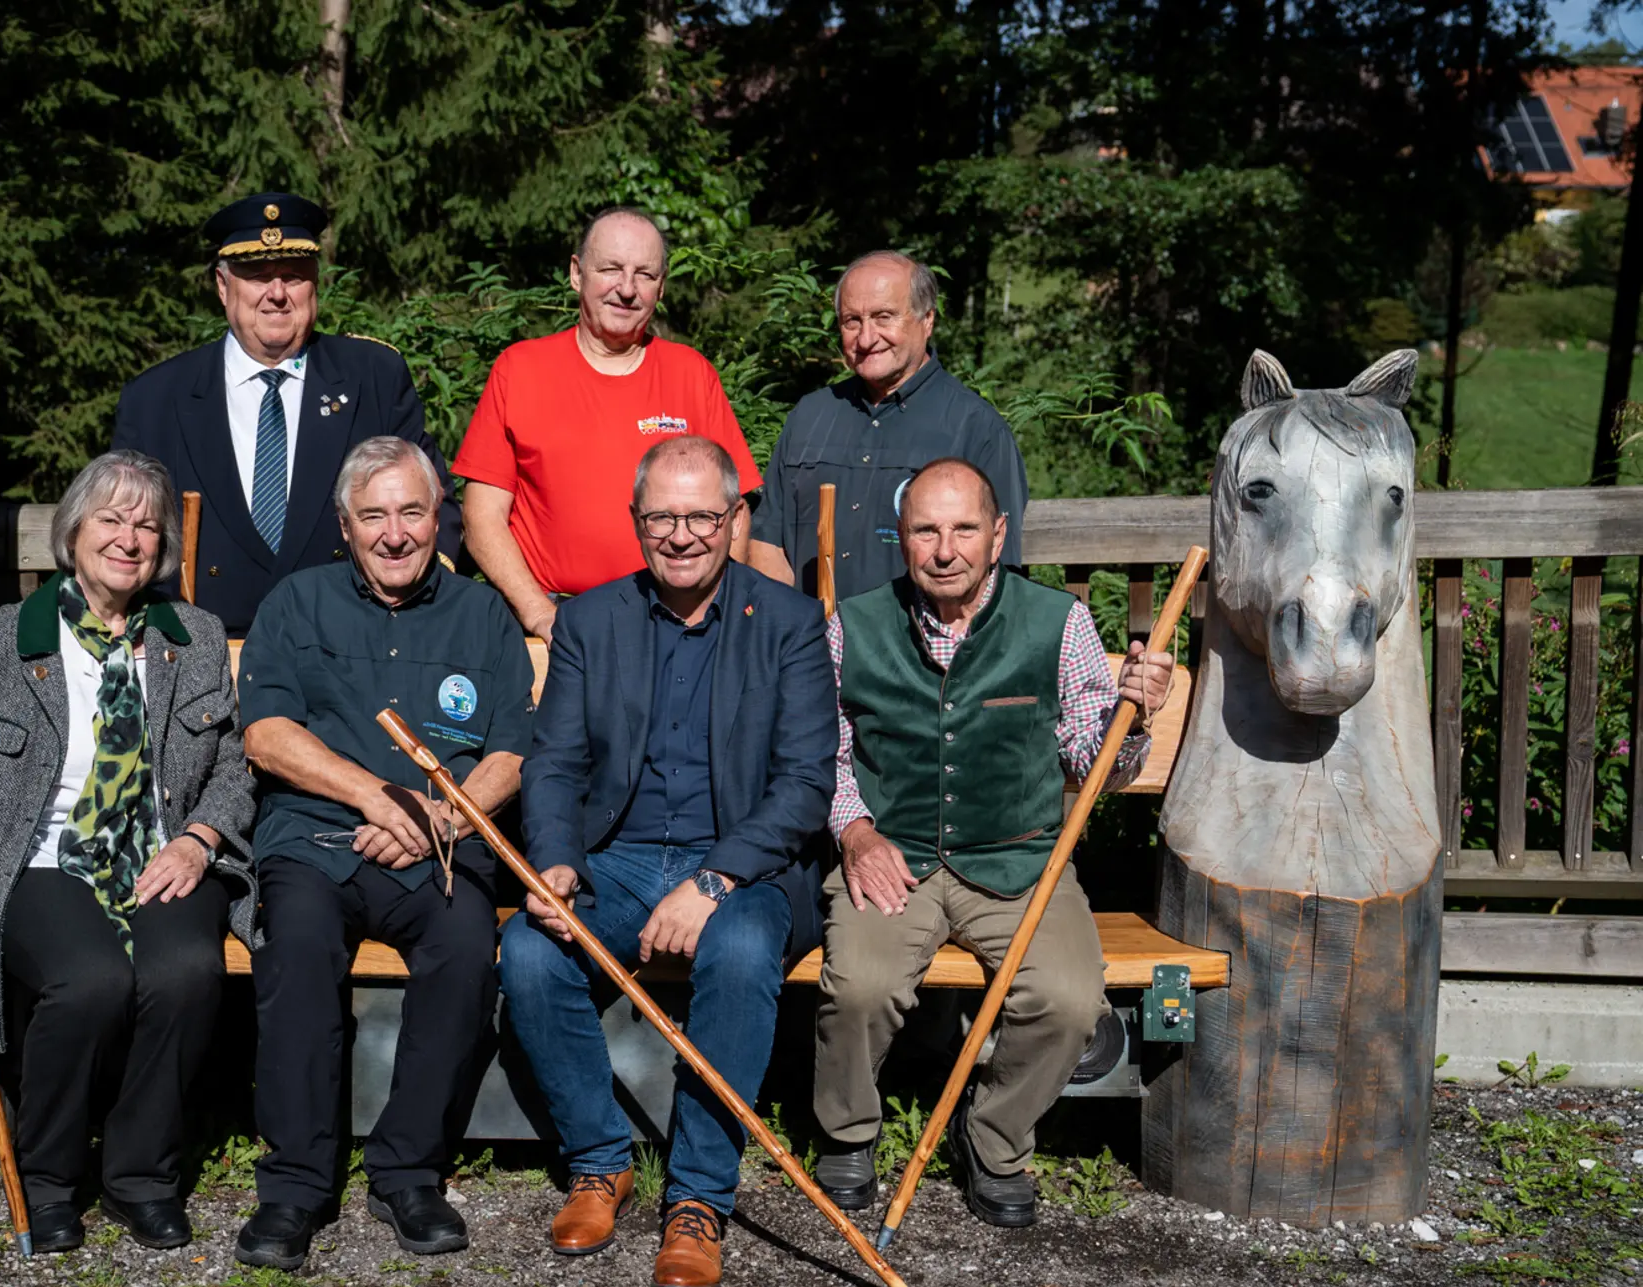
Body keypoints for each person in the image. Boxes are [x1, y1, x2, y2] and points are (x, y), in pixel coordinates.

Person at [498, 436, 834, 1287]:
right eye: (662, 517)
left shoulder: (791, 621)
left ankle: (695, 1199)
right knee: (532, 952)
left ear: (732, 519)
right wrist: (559, 862)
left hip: (746, 864)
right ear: (636, 522)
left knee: (744, 952)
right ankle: (599, 1160)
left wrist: (715, 881)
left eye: (700, 516)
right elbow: (557, 763)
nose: (681, 534)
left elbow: (803, 785)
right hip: (619, 857)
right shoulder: (590, 619)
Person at [0, 451, 256, 1253]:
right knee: (89, 979)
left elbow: (233, 769)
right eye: (112, 518)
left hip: (166, 849)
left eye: (146, 524)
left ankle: (142, 1175)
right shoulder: (2, 642)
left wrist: (200, 842)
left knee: (184, 971)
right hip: (45, 852)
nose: (129, 537)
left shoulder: (191, 637)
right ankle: (50, 1175)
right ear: (74, 531)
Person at [806, 459, 1174, 1226]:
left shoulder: (1058, 622)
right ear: (901, 539)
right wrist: (856, 830)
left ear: (998, 533)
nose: (946, 549)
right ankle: (849, 1133)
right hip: (894, 853)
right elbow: (826, 755)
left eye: (965, 528)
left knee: (1071, 1002)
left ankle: (996, 1137)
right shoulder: (854, 625)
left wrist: (1129, 722)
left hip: (1018, 856)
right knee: (861, 987)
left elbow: (1090, 765)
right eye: (926, 531)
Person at [232, 436, 536, 1270]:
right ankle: (295, 1183)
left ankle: (408, 1168)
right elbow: (265, 732)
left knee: (468, 947)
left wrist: (442, 814)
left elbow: (511, 749)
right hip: (319, 838)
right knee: (293, 946)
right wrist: (376, 794)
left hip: (441, 843)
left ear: (439, 517)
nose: (395, 532)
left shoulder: (481, 615)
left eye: (412, 511)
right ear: (345, 524)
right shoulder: (297, 603)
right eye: (374, 515)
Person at [111, 192, 461, 634]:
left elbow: (434, 506)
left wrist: (422, 615)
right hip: (198, 658)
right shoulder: (157, 398)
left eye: (294, 277)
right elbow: (121, 532)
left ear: (315, 285)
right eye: (257, 276)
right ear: (223, 286)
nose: (277, 294)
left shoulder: (373, 377)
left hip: (353, 644)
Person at [454, 208, 762, 641]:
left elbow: (736, 512)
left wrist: (720, 614)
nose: (627, 289)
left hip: (673, 623)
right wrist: (539, 614)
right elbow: (481, 517)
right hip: (553, 621)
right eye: (611, 269)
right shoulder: (520, 370)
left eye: (645, 274)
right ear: (577, 274)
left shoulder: (692, 374)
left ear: (661, 287)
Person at [748, 251, 1029, 602]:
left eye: (884, 317)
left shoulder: (976, 429)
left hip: (920, 651)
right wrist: (787, 638)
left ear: (927, 320)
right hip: (812, 648)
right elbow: (768, 543)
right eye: (852, 321)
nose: (866, 338)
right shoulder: (810, 416)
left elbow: (1000, 575)